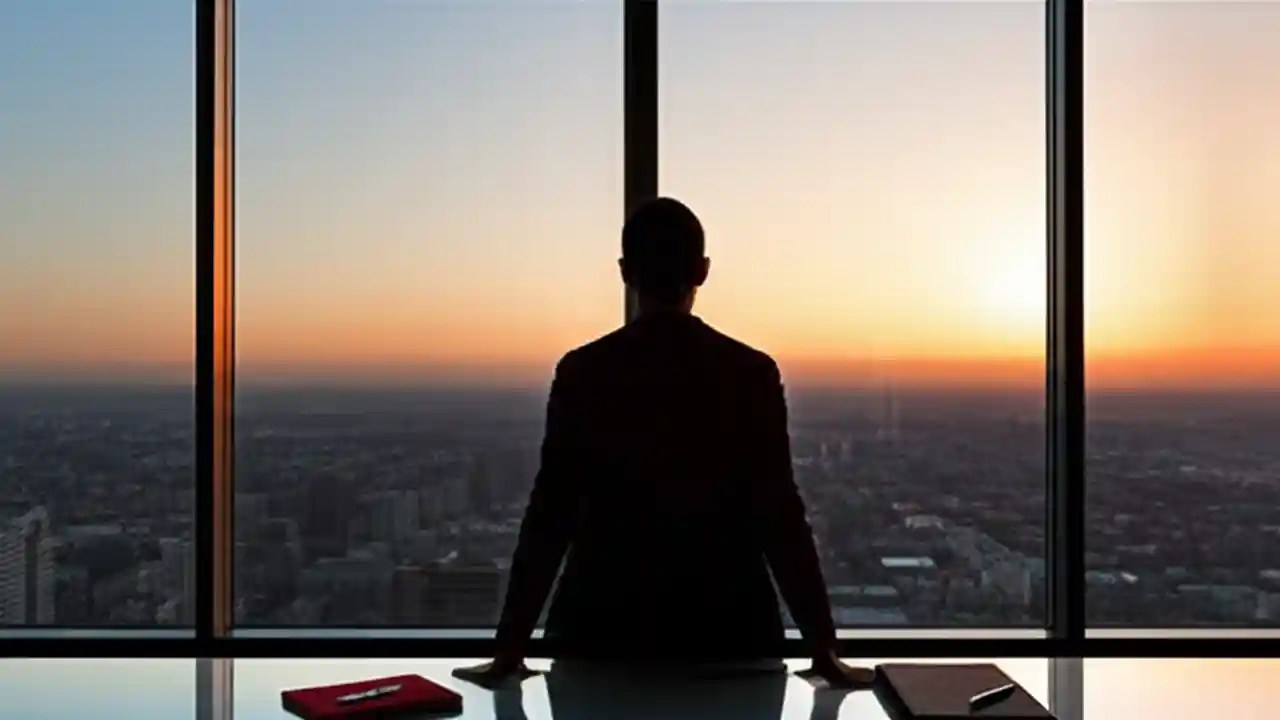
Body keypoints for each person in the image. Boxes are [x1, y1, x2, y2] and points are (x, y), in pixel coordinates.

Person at [455, 198, 873, 688]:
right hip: (729, 630)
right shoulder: (749, 374)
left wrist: (510, 648)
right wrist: (822, 648)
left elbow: (552, 512)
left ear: (625, 272)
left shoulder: (585, 372)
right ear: (702, 271)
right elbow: (778, 513)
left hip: (601, 631)